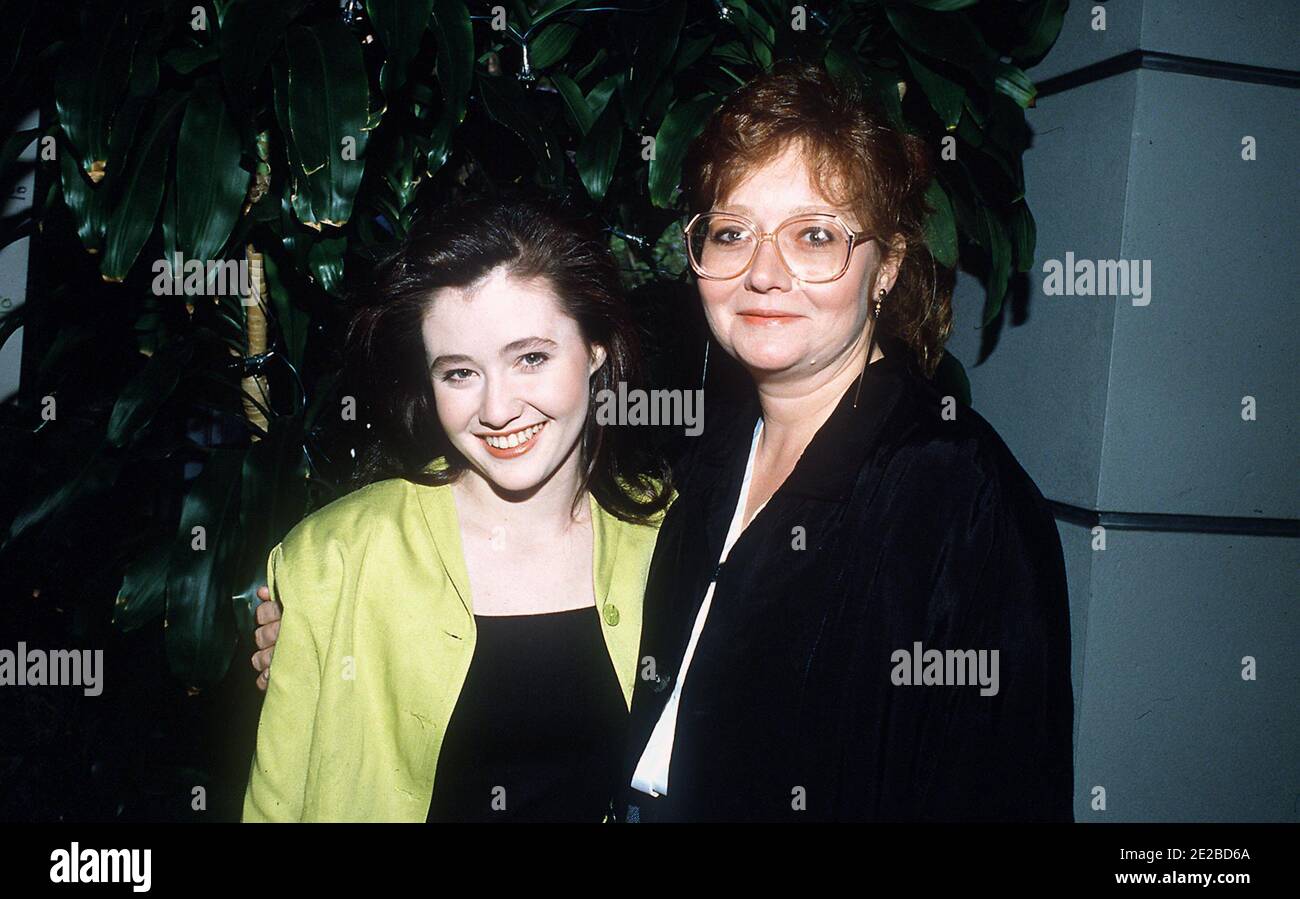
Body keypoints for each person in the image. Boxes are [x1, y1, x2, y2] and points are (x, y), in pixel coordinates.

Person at [251, 61, 1075, 823]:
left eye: (815, 236)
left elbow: (998, 786)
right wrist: (330, 622)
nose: (765, 272)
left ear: (887, 266)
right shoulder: (699, 473)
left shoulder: (957, 496)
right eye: (732, 232)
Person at [242, 197, 670, 822]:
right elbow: (275, 805)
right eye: (460, 373)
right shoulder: (335, 557)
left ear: (596, 349)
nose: (497, 409)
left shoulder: (674, 538)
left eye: (531, 358)